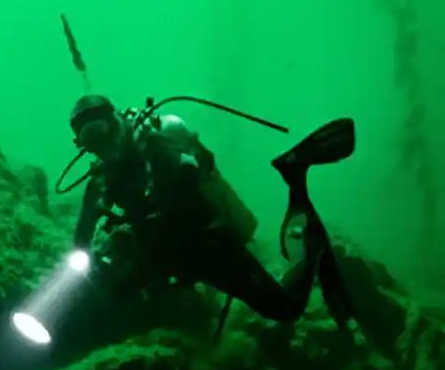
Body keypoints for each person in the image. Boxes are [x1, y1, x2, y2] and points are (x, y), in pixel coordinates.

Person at [68, 93, 357, 325]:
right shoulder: (102, 179)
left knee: (286, 309)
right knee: (117, 294)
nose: (100, 145)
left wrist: (179, 175)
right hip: (167, 255)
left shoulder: (160, 139)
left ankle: (306, 235)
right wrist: (88, 263)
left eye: (99, 130)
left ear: (116, 120)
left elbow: (200, 165)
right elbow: (81, 235)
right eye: (87, 140)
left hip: (209, 245)